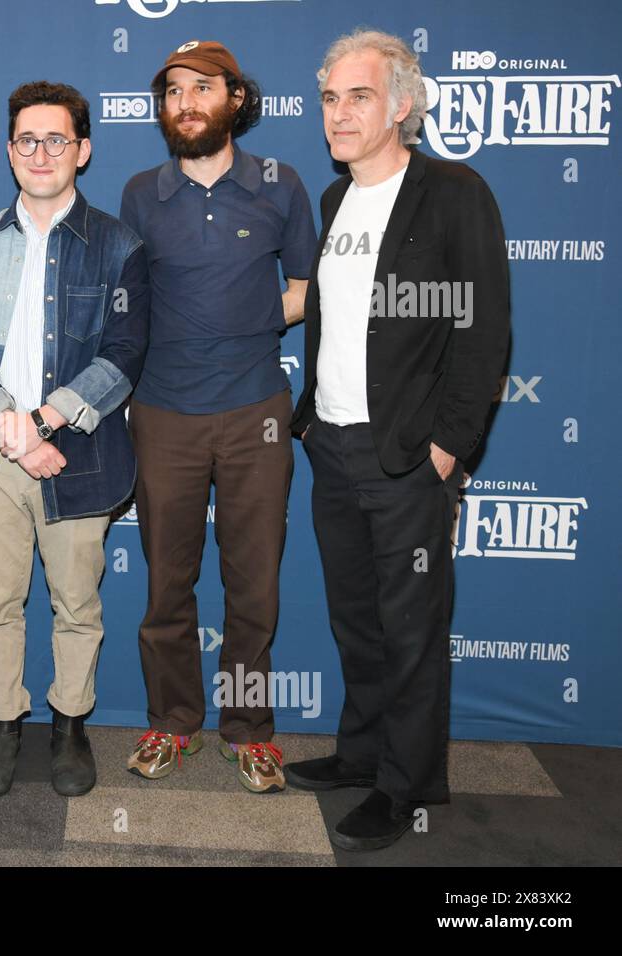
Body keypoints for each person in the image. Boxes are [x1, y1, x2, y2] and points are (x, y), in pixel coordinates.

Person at [288, 29, 510, 850]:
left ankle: (406, 786)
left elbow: (482, 332)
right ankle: (362, 754)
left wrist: (449, 448)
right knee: (357, 618)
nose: (338, 115)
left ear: (402, 107)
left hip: (409, 455)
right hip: (335, 447)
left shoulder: (453, 192)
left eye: (358, 97)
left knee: (412, 627)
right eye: (329, 99)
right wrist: (309, 418)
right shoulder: (333, 198)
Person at [0, 81, 149, 798]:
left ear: (82, 150)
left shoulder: (120, 244)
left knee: (76, 606)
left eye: (56, 139)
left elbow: (122, 356)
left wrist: (44, 422)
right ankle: (3, 724)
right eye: (27, 139)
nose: (41, 152)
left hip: (79, 455)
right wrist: (12, 427)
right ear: (8, 151)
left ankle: (69, 725)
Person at [119, 41, 316, 793]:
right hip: (163, 414)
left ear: (236, 97)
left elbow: (306, 286)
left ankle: (249, 729)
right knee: (167, 585)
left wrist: (249, 320)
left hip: (257, 414)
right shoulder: (141, 192)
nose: (185, 103)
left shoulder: (281, 184)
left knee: (253, 583)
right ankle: (173, 724)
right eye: (172, 92)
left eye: (202, 88)